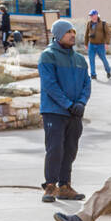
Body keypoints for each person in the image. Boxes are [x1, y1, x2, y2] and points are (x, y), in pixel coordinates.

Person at [38, 18, 90, 205]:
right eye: (69, 32)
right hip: (54, 112)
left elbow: (86, 84)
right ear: (59, 34)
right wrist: (68, 105)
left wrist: (81, 103)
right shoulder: (48, 56)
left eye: (74, 32)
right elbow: (50, 85)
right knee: (55, 149)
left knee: (70, 149)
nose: (72, 35)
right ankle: (50, 186)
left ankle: (65, 186)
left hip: (74, 113)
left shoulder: (79, 60)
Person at [84, 9, 111, 81]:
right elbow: (86, 34)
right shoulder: (89, 23)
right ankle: (93, 75)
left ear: (96, 15)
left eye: (93, 15)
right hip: (91, 45)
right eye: (90, 15)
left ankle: (108, 70)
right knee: (91, 60)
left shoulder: (103, 23)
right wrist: (86, 43)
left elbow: (108, 34)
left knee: (103, 59)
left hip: (100, 45)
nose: (91, 17)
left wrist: (107, 43)